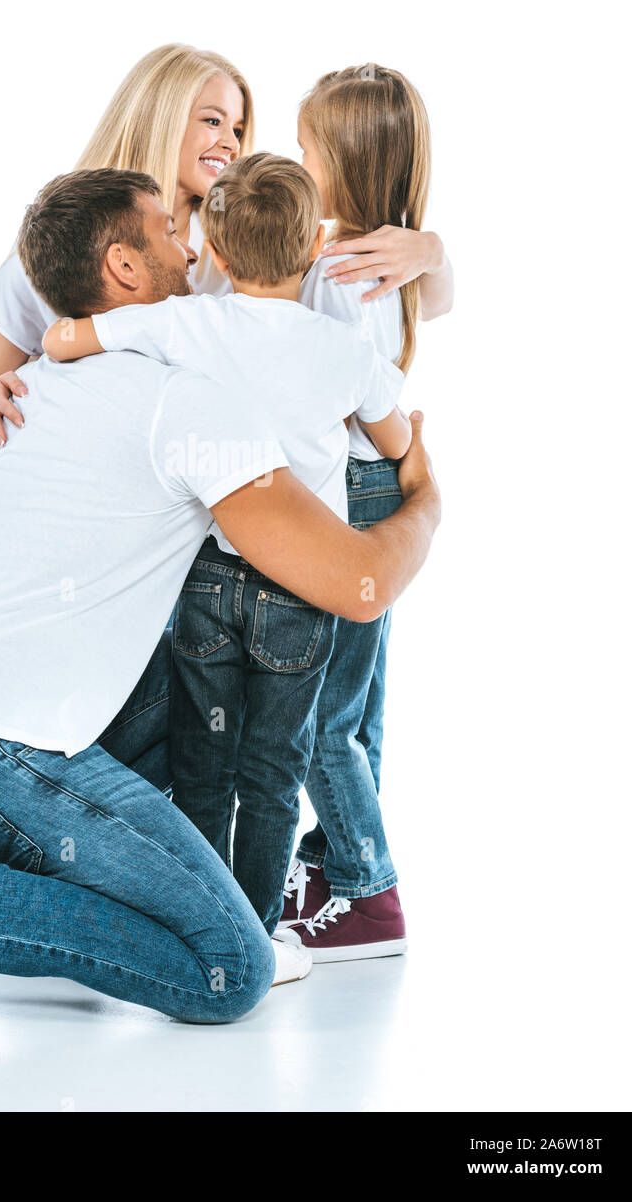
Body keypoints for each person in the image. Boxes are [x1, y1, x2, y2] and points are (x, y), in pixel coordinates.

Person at [0, 168, 441, 1025]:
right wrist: (426, 500)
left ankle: (32, 913)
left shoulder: (45, 379)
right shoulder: (179, 401)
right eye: (164, 229)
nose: (188, 244)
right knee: (230, 967)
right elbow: (356, 585)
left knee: (209, 674)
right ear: (122, 265)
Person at [42, 152, 411, 934]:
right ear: (312, 247)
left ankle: (199, 917)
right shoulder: (341, 349)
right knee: (275, 768)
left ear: (213, 249)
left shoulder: (185, 320)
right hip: (301, 592)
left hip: (209, 581)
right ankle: (254, 927)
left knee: (203, 762)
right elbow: (392, 432)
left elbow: (65, 337)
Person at [0, 43, 452, 460]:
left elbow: (404, 307)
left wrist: (431, 252)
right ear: (161, 121)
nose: (231, 143)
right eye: (213, 121)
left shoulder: (242, 238)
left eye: (237, 129)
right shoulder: (52, 247)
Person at [277, 64, 439, 960]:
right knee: (359, 703)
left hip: (346, 485)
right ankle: (341, 864)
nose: (295, 160)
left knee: (316, 716)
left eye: (306, 146)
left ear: (342, 158)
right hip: (377, 481)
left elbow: (343, 392)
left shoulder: (339, 266)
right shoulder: (389, 248)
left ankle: (368, 895)